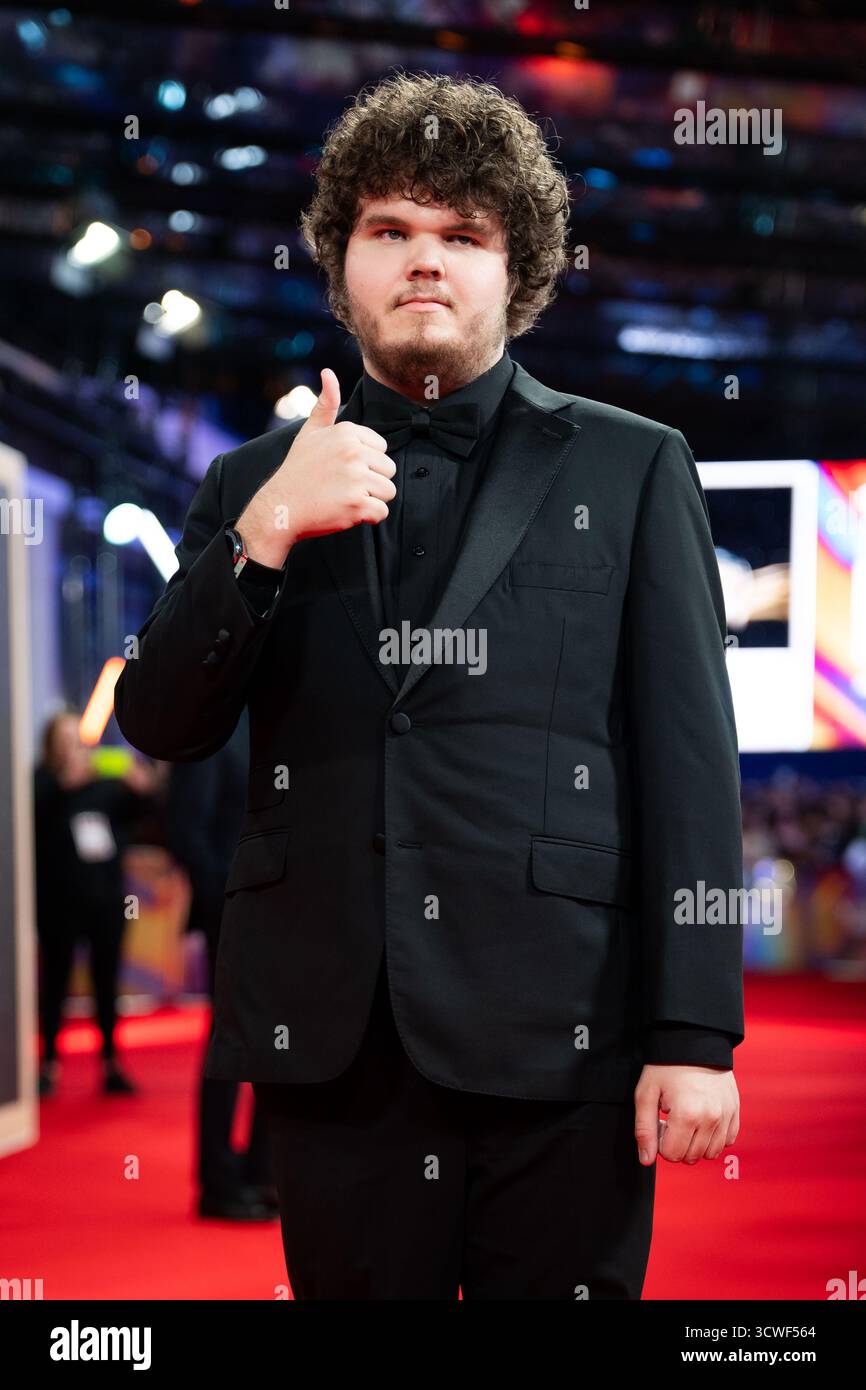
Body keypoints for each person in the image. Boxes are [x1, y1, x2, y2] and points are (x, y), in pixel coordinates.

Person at [114, 72, 744, 1299]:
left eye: (462, 234)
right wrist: (265, 534)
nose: (423, 260)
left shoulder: (631, 466)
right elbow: (161, 721)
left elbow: (687, 764)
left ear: (518, 269)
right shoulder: (252, 480)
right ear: (340, 260)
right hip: (333, 1036)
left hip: (565, 1029)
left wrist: (694, 1034)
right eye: (389, 229)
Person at [163, 708, 278, 1221]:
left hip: (280, 910)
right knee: (229, 1040)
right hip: (231, 910)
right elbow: (185, 829)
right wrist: (230, 899)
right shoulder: (216, 729)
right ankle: (219, 1181)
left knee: (277, 1039)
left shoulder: (275, 725)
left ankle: (263, 1172)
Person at [34, 708, 158, 1096]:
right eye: (64, 741)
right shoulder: (41, 784)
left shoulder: (105, 786)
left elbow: (145, 814)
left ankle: (110, 1063)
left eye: (78, 740)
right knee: (55, 982)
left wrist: (142, 787)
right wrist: (63, 785)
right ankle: (48, 1064)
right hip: (58, 903)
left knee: (107, 982)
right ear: (52, 747)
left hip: (105, 901)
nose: (73, 748)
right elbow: (29, 821)